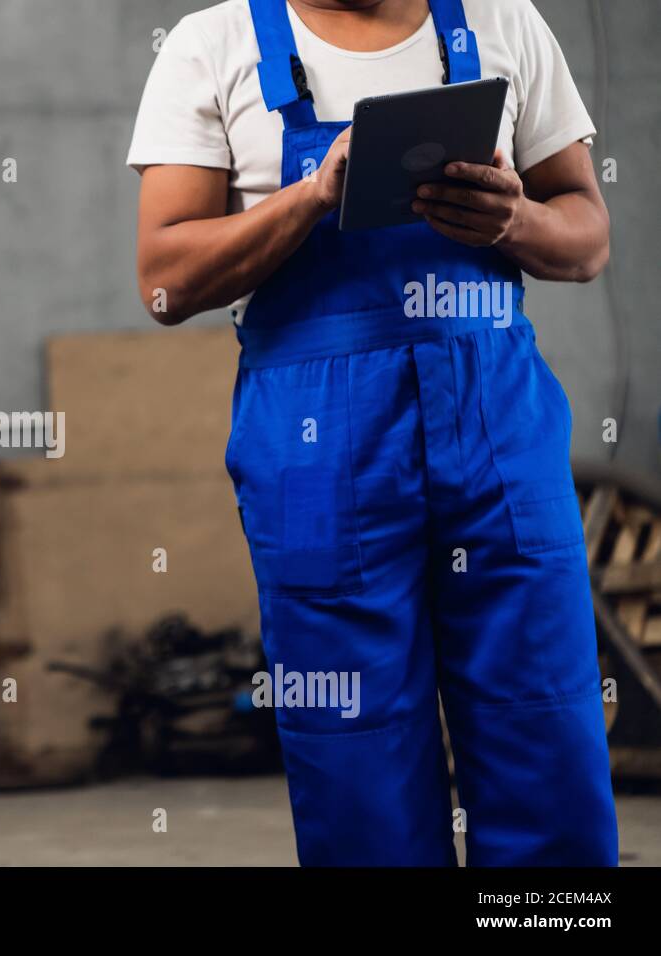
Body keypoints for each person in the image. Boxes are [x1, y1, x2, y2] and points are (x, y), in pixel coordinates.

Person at [128, 0, 615, 866]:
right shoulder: (214, 45)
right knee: (356, 747)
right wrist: (311, 199)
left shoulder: (504, 22)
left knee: (541, 717)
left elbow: (587, 239)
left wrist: (516, 219)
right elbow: (164, 279)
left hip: (497, 412)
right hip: (317, 439)